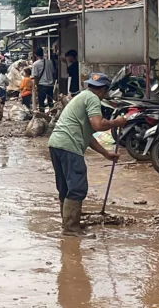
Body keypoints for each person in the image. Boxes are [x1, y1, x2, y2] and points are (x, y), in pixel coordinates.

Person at [48, 73, 127, 237]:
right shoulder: (92, 98)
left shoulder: (82, 96)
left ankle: (68, 223)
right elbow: (98, 125)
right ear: (103, 90)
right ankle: (71, 228)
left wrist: (106, 153)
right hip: (69, 146)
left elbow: (88, 135)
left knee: (65, 187)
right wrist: (116, 122)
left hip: (56, 144)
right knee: (77, 187)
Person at [32, 47, 55, 112]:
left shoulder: (35, 64)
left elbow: (35, 76)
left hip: (42, 86)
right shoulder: (50, 62)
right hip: (50, 86)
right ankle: (53, 116)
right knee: (51, 103)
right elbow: (53, 73)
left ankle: (43, 118)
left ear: (35, 55)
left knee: (41, 104)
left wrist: (36, 86)